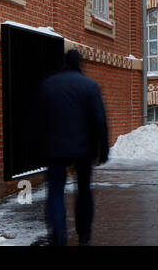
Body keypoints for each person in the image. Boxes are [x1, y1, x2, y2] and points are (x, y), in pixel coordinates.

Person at [32, 48, 109, 245]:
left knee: (56, 192)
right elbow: (100, 120)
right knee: (83, 189)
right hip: (84, 149)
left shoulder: (48, 85)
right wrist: (103, 148)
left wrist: (38, 146)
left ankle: (59, 237)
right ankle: (84, 234)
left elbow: (37, 119)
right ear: (79, 64)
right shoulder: (90, 86)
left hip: (54, 148)